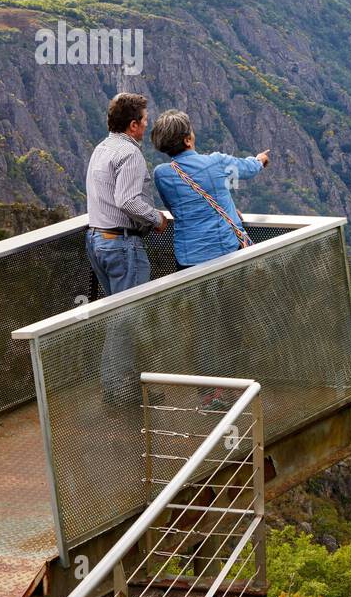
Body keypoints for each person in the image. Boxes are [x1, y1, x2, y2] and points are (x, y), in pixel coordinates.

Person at [85, 92, 168, 408]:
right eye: (144, 120)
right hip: (122, 245)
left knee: (119, 318)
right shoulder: (130, 154)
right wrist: (157, 218)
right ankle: (119, 391)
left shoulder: (102, 148)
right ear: (133, 125)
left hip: (98, 240)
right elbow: (128, 200)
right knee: (126, 321)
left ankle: (123, 386)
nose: (147, 125)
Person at [150, 110, 270, 269]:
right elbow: (248, 169)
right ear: (187, 140)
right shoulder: (216, 162)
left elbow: (176, 209)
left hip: (188, 259)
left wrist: (228, 209)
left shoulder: (161, 174)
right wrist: (259, 160)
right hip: (225, 252)